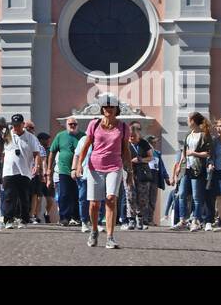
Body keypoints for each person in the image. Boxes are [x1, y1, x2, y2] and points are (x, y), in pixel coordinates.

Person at [73, 96, 133, 249]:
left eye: (111, 107)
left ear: (116, 109)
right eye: (105, 107)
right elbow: (86, 146)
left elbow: (126, 149)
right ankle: (94, 231)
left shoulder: (124, 127)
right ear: (102, 109)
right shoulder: (94, 124)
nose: (108, 110)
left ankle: (110, 237)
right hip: (95, 166)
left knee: (111, 199)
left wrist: (130, 171)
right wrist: (79, 165)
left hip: (115, 166)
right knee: (94, 204)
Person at [0, 114, 44, 229]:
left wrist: (37, 166)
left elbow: (37, 154)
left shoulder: (31, 137)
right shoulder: (8, 135)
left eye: (18, 125)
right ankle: (8, 219)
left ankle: (23, 219)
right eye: (14, 125)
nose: (16, 128)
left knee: (23, 197)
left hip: (24, 171)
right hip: (9, 171)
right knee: (9, 196)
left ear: (23, 125)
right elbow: (2, 153)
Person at [179, 113, 214, 230]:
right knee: (182, 194)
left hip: (197, 168)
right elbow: (184, 152)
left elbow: (208, 153)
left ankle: (196, 220)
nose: (187, 122)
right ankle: (182, 220)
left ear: (193, 121)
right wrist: (179, 165)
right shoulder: (188, 135)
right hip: (186, 168)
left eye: (188, 120)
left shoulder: (204, 135)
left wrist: (194, 153)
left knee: (196, 197)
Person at [50, 116, 84, 226]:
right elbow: (52, 152)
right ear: (66, 125)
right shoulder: (60, 136)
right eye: (70, 124)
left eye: (75, 124)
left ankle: (76, 217)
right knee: (64, 194)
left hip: (79, 170)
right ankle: (64, 217)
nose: (73, 126)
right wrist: (49, 169)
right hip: (64, 170)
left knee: (77, 194)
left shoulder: (83, 136)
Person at [126, 120, 156, 229]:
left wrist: (141, 159)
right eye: (130, 136)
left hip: (142, 173)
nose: (132, 138)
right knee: (130, 196)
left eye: (134, 136)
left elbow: (151, 157)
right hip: (129, 173)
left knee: (143, 197)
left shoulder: (143, 143)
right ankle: (131, 219)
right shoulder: (125, 143)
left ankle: (140, 218)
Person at [34, 131, 54, 223]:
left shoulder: (50, 150)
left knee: (50, 199)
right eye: (46, 139)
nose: (48, 141)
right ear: (41, 140)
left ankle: (47, 214)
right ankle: (36, 215)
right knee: (38, 197)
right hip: (39, 176)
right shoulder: (37, 149)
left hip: (49, 177)